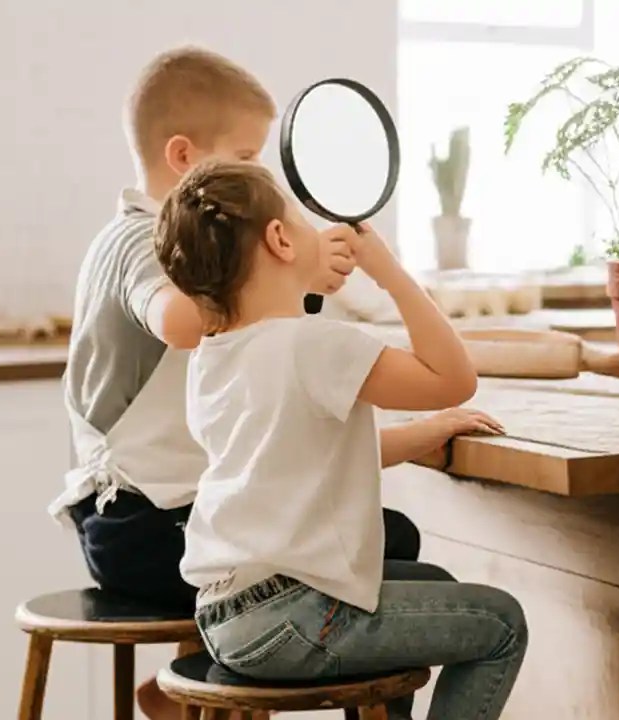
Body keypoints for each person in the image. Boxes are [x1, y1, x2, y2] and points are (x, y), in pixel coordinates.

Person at [50, 46, 499, 719]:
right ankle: (205, 668)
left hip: (173, 511)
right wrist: (288, 268)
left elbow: (282, 440)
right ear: (183, 158)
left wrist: (291, 271)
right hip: (134, 521)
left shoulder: (238, 332)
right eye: (248, 155)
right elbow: (178, 320)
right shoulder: (134, 240)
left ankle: (191, 675)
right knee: (374, 553)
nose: (258, 169)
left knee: (391, 540)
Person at [154, 160, 528, 720]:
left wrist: (428, 431)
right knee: (501, 623)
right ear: (280, 239)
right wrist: (389, 271)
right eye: (301, 221)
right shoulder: (314, 344)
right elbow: (454, 378)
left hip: (224, 613)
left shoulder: (212, 358)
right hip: (295, 613)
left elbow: (305, 457)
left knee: (433, 584)